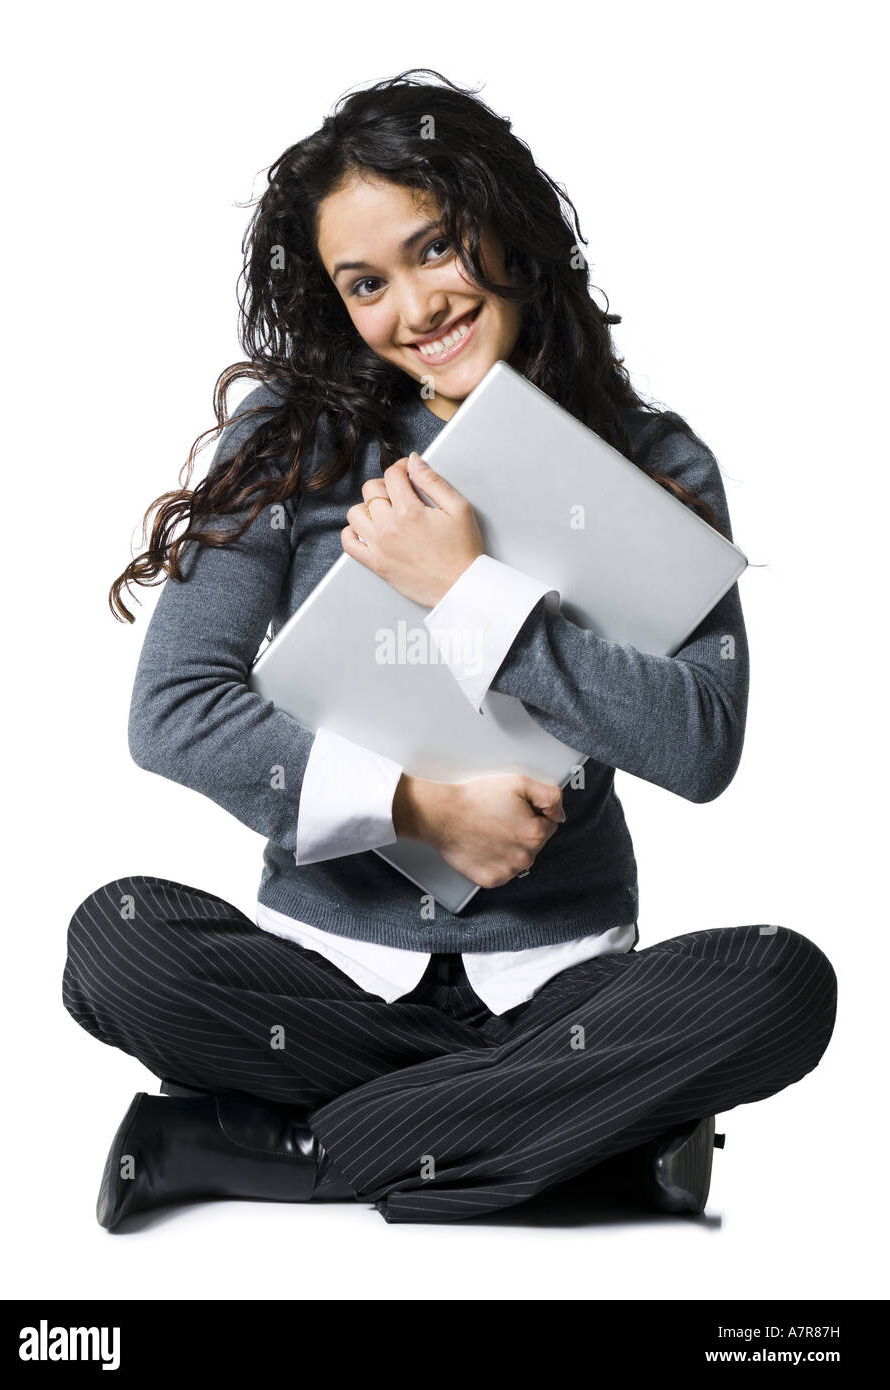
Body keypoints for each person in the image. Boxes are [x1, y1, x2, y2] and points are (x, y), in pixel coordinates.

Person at [63, 69, 837, 1230]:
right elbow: (172, 711)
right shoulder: (291, 437)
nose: (415, 306)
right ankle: (579, 1149)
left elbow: (703, 742)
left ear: (507, 227)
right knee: (117, 940)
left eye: (436, 250)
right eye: (366, 282)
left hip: (563, 991)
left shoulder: (659, 463)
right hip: (324, 977)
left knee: (781, 983)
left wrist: (473, 592)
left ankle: (283, 1146)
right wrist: (418, 809)